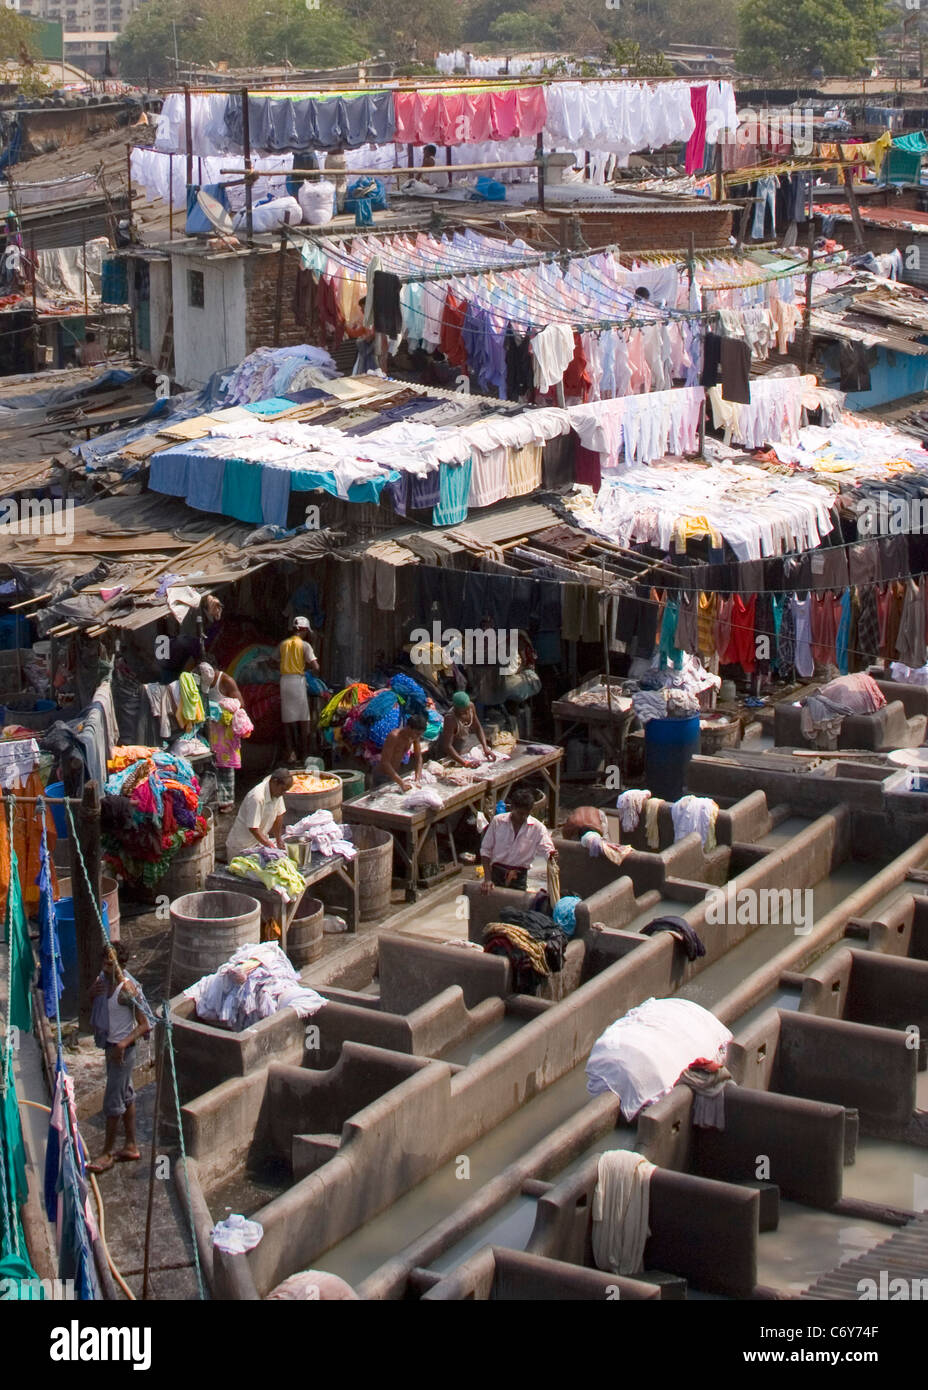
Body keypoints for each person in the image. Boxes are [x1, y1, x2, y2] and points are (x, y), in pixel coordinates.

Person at [87, 944, 151, 1174]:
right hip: (110, 1046)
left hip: (123, 1052)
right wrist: (92, 994)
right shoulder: (103, 981)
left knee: (112, 1104)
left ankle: (106, 1154)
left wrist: (123, 1044)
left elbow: (145, 1024)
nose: (105, 967)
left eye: (110, 964)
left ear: (120, 965)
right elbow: (94, 1005)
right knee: (127, 1095)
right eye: (104, 963)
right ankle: (131, 1145)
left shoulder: (127, 990)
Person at [480, 785, 557, 892]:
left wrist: (551, 855)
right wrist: (487, 879)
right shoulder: (498, 821)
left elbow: (547, 849)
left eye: (527, 814)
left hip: (519, 876)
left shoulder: (538, 828)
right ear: (512, 808)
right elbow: (485, 850)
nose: (523, 817)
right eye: (520, 813)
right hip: (496, 873)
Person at [196, 662, 247, 813]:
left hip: (225, 733)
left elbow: (240, 704)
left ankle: (227, 801)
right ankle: (214, 799)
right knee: (212, 766)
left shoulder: (226, 681)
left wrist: (220, 708)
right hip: (209, 731)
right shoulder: (202, 682)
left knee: (226, 767)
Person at [224, 768, 293, 860]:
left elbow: (279, 815)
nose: (283, 793)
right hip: (241, 846)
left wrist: (278, 840)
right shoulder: (257, 797)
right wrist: (270, 845)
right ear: (274, 782)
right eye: (283, 789)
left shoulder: (277, 793)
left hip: (258, 843)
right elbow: (253, 828)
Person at [277, 617, 320, 765]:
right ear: (304, 630)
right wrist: (304, 667)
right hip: (298, 682)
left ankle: (291, 753)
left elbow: (271, 661)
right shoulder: (305, 645)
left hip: (284, 682)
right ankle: (305, 755)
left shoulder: (283, 644)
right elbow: (316, 667)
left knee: (288, 721)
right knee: (304, 719)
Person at [437, 691, 495, 766]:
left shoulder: (471, 706)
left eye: (467, 709)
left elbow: (477, 727)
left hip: (464, 742)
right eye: (463, 710)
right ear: (456, 708)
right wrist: (465, 763)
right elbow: (447, 746)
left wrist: (485, 747)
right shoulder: (450, 719)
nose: (466, 712)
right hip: (453, 750)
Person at [372, 713, 426, 791]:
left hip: (395, 774)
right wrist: (401, 783)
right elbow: (385, 762)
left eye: (419, 735)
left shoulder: (414, 737)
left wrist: (417, 779)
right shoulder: (394, 736)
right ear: (408, 727)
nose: (418, 737)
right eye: (417, 734)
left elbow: (418, 757)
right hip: (382, 775)